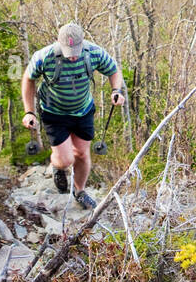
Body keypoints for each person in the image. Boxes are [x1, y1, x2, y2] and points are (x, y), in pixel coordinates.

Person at [21, 22, 125, 210]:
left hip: (83, 110)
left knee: (82, 154)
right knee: (66, 160)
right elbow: (28, 79)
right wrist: (29, 111)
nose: (73, 56)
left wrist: (116, 90)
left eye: (76, 51)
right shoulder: (43, 57)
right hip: (54, 112)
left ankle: (80, 191)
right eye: (69, 52)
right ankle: (57, 167)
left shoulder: (94, 53)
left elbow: (114, 70)